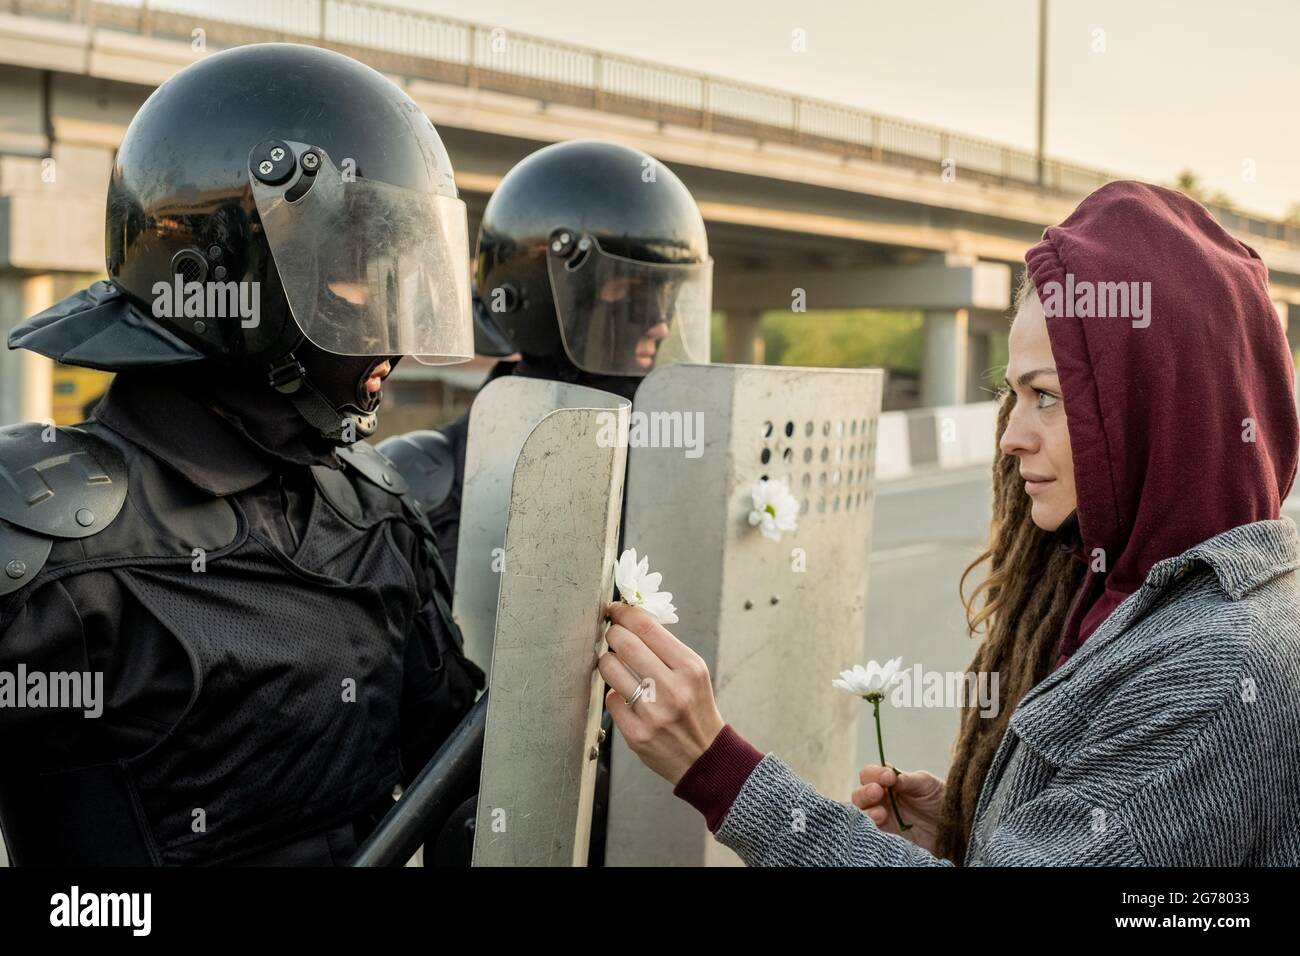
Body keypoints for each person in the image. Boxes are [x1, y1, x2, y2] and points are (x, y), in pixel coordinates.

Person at [600, 180, 1300, 865]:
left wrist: (716, 768)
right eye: (1011, 394)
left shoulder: (1213, 671)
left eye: (1048, 398)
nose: (1010, 436)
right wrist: (974, 837)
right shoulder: (1149, 591)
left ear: (1155, 407)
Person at [0, 42, 484, 866]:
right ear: (239, 282)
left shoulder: (378, 516)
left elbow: (462, 779)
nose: (392, 333)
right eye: (359, 280)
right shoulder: (36, 530)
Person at [378, 138, 712, 585]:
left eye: (668, 298)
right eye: (632, 295)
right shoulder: (423, 482)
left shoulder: (686, 467)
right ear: (539, 300)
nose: (661, 325)